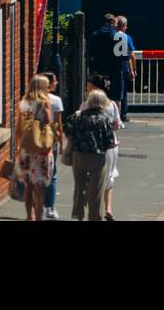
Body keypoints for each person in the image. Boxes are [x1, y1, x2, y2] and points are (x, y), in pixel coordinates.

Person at [68, 85, 117, 221]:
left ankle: (79, 215)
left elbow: (69, 132)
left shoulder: (78, 116)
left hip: (79, 155)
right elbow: (109, 142)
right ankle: (94, 217)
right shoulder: (104, 119)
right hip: (97, 157)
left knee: (80, 186)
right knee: (96, 190)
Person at [13, 74, 55, 221]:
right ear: (43, 87)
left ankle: (28, 216)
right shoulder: (44, 102)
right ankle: (38, 217)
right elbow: (49, 121)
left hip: (26, 148)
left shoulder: (23, 103)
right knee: (40, 185)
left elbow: (18, 127)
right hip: (40, 149)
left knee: (29, 185)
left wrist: (18, 145)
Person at [90, 13, 126, 114]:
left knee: (101, 94)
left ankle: (100, 116)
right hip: (115, 70)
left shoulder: (95, 34)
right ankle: (116, 120)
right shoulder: (119, 35)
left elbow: (91, 52)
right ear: (114, 22)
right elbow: (124, 55)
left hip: (100, 70)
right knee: (116, 97)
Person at [99, 85, 124, 220]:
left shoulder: (86, 105)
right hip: (110, 144)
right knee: (109, 177)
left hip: (93, 145)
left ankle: (94, 208)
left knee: (93, 178)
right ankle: (108, 208)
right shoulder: (112, 105)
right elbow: (116, 125)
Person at [42, 71, 64, 219]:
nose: (56, 83)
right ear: (48, 83)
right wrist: (61, 143)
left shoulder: (30, 99)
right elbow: (59, 124)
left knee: (35, 175)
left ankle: (35, 208)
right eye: (54, 81)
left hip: (34, 142)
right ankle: (50, 207)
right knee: (52, 174)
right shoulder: (56, 100)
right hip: (50, 142)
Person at [115, 15, 136, 123]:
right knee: (123, 93)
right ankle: (122, 115)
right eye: (126, 25)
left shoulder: (112, 36)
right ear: (123, 26)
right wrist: (133, 69)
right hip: (123, 68)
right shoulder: (126, 37)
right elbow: (131, 55)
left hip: (113, 66)